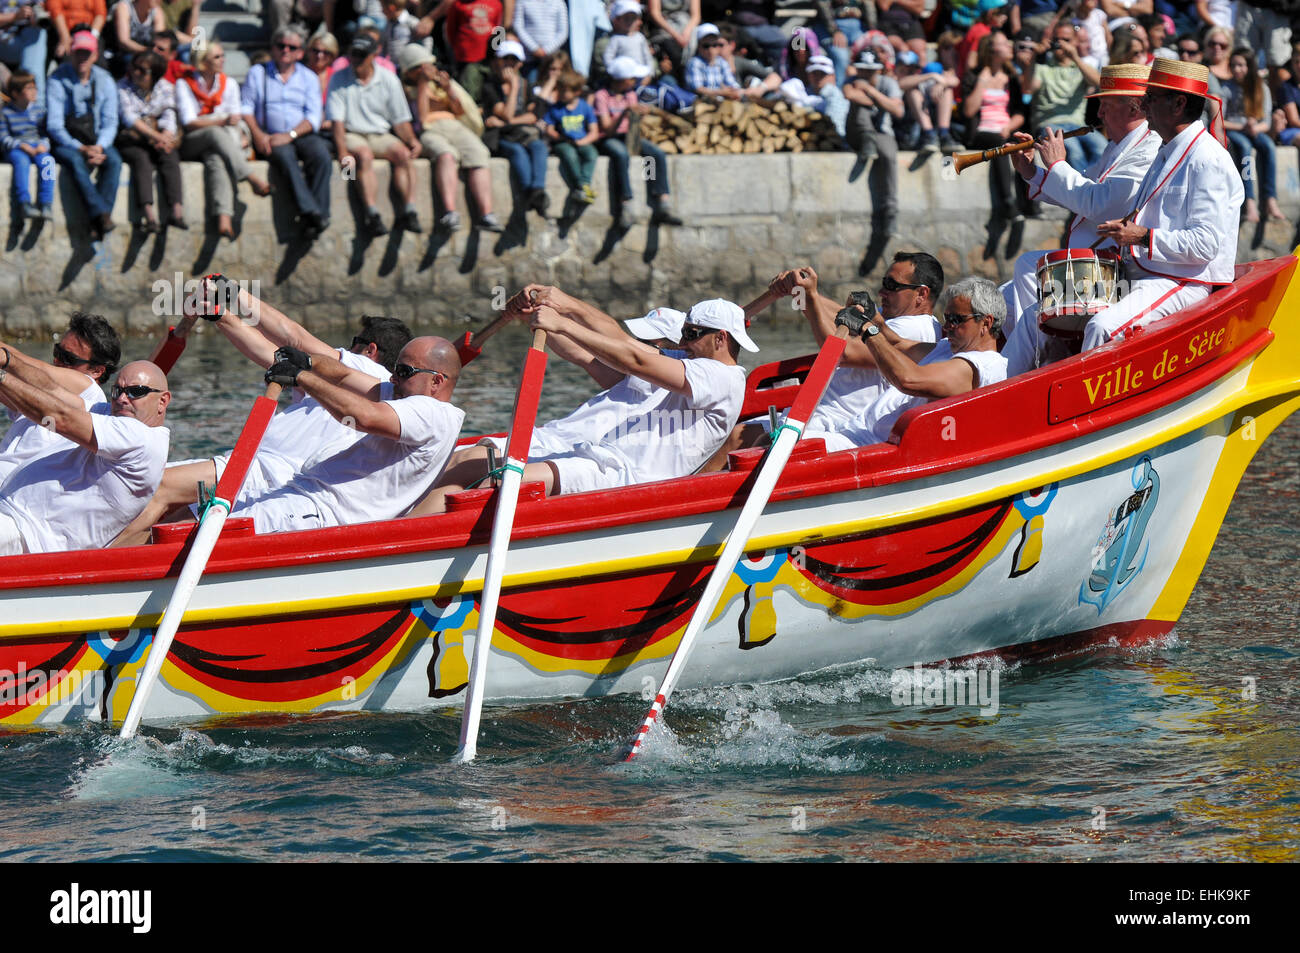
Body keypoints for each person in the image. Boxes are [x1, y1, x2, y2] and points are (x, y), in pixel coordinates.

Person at [111, 283, 416, 546]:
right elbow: (276, 352)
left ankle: (95, 565)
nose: (343, 349)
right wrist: (223, 314)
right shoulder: (381, 397)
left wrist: (223, 306)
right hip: (269, 473)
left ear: (370, 349)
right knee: (172, 524)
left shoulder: (363, 369)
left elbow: (291, 338)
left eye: (354, 343)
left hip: (261, 469)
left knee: (157, 487)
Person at [413, 289, 751, 510]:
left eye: (691, 335)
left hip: (623, 479)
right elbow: (620, 341)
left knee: (484, 475)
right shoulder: (691, 364)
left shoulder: (721, 377)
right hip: (598, 459)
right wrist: (561, 302)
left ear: (720, 339)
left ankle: (405, 548)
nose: (683, 341)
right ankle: (401, 523)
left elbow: (634, 358)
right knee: (468, 462)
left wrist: (564, 323)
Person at [707, 252, 944, 468]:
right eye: (884, 283)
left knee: (738, 437)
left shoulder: (914, 329)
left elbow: (841, 351)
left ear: (921, 294)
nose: (882, 292)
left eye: (892, 286)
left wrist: (808, 296)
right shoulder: (900, 324)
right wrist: (800, 292)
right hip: (817, 415)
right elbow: (840, 314)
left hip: (836, 424)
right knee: (734, 436)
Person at [1002, 63, 1160, 375]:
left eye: (1105, 105)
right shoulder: (1118, 148)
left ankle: (1037, 361)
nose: (1098, 114)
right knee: (1007, 287)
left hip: (1117, 269)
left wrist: (1058, 163)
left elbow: (1096, 204)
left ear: (1134, 108)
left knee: (1026, 269)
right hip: (1097, 263)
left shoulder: (1148, 149)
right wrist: (1031, 171)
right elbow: (1078, 191)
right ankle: (1027, 356)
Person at [224, 335, 464, 535]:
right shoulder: (408, 399)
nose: (393, 377)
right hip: (302, 497)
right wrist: (308, 362)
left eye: (403, 371)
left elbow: (362, 416)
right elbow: (345, 376)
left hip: (316, 512)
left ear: (437, 381)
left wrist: (300, 377)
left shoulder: (434, 414)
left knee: (201, 537)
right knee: (193, 519)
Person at [1089, 57, 1243, 349]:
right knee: (1050, 308)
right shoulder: (1168, 147)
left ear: (1178, 104)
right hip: (1148, 273)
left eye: (1151, 97)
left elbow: (1205, 244)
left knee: (1102, 328)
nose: (1143, 105)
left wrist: (1142, 236)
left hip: (1183, 280)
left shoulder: (1206, 159)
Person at [816, 276, 1009, 452]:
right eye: (946, 318)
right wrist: (874, 318)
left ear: (986, 323)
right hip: (852, 432)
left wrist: (867, 330)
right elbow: (899, 344)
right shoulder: (949, 347)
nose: (946, 326)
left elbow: (908, 380)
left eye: (955, 320)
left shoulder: (982, 365)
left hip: (872, 449)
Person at [0, 356, 170, 555]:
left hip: (26, 534)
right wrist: (8, 360)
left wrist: (3, 376)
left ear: (163, 401)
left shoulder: (142, 438)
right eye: (117, 391)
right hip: (11, 516)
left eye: (136, 392)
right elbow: (52, 390)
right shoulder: (112, 416)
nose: (123, 399)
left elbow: (60, 419)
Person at [0, 311, 120, 485]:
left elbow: (34, 367)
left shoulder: (91, 393)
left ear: (97, 371)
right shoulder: (36, 391)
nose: (57, 360)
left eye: (67, 358)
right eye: (58, 351)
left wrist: (5, 358)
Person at [327, 30, 422, 236]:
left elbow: (400, 119)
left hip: (379, 134)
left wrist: (411, 140)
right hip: (353, 133)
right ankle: (372, 213)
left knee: (404, 155)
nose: (356, 59)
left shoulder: (389, 79)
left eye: (362, 55)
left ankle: (409, 211)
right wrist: (342, 151)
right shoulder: (338, 79)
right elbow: (337, 122)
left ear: (374, 55)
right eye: (354, 54)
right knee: (363, 155)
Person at [243, 25, 333, 241]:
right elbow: (245, 108)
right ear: (273, 48)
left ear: (300, 52)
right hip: (270, 135)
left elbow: (313, 117)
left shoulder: (308, 77)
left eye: (292, 47)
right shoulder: (258, 73)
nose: (285, 50)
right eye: (281, 46)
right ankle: (313, 212)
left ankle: (316, 213)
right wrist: (258, 134)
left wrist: (291, 134)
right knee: (285, 158)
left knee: (322, 156)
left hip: (300, 134)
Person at [178, 40, 274, 240]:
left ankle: (224, 217)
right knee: (215, 133)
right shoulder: (184, 83)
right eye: (217, 57)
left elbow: (236, 116)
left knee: (216, 158)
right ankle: (250, 177)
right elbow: (188, 122)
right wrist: (220, 121)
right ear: (203, 62)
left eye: (223, 55)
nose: (223, 60)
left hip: (219, 143)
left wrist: (222, 122)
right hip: (192, 140)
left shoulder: (228, 83)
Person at [400, 43, 502, 232]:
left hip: (454, 125)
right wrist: (423, 85)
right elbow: (422, 120)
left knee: (479, 154)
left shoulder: (440, 83)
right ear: (411, 71)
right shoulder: (405, 89)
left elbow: (460, 111)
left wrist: (449, 90)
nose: (429, 70)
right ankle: (450, 213)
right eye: (422, 67)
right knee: (447, 155)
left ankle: (487, 214)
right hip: (430, 131)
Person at [47, 30, 122, 242]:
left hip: (97, 139)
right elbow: (54, 125)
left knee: (114, 161)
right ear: (71, 53)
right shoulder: (57, 79)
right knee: (75, 162)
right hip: (67, 142)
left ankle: (97, 220)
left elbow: (110, 121)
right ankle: (101, 215)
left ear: (95, 55)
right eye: (78, 52)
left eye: (86, 53)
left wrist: (99, 146)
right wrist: (81, 148)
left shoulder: (105, 80)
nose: (82, 58)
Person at [595, 56, 684, 228]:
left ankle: (660, 198)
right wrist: (623, 114)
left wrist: (640, 114)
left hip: (630, 136)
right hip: (610, 138)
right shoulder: (602, 96)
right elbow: (607, 129)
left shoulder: (630, 95)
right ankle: (625, 203)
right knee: (621, 156)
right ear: (623, 80)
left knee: (654, 154)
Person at [963, 30, 1029, 223]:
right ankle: (1007, 203)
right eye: (1004, 43)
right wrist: (982, 81)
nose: (1010, 46)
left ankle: (1028, 203)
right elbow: (968, 111)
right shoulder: (975, 76)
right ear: (991, 50)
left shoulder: (1011, 78)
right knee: (1000, 144)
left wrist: (1009, 126)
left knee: (1023, 146)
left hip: (1004, 130)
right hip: (981, 132)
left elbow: (1019, 113)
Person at [1023, 19, 1106, 172]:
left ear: (1075, 42)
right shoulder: (1042, 68)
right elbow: (1027, 88)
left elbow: (1099, 83)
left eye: (1066, 40)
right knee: (1075, 152)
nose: (1060, 44)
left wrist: (1075, 57)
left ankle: (1096, 186)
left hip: (1077, 125)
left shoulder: (1081, 68)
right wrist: (1034, 57)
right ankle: (1082, 191)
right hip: (1049, 124)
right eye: (1057, 40)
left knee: (1102, 147)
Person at [479, 39, 551, 218]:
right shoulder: (490, 86)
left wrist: (505, 122)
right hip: (503, 138)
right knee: (517, 151)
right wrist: (513, 89)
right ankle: (530, 193)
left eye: (514, 60)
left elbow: (533, 116)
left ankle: (537, 190)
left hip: (522, 133)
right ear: (498, 61)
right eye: (506, 59)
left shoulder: (527, 85)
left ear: (520, 63)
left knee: (539, 146)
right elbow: (508, 114)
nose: (509, 64)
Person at [116, 49, 184, 233]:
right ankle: (149, 215)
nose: (136, 72)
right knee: (141, 160)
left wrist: (166, 137)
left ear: (153, 75)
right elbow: (129, 118)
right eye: (135, 67)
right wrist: (156, 136)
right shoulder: (122, 87)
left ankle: (176, 211)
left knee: (170, 156)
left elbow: (169, 113)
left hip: (158, 137)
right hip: (131, 139)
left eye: (142, 70)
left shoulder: (165, 87)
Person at [1222, 44, 1283, 222]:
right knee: (1245, 147)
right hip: (1236, 130)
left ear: (1249, 66)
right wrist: (1243, 127)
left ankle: (1270, 198)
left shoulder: (1260, 88)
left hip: (1254, 130)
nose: (1236, 69)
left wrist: (1255, 128)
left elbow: (1267, 121)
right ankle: (1249, 200)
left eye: (1240, 65)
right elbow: (1220, 119)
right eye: (1233, 65)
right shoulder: (1227, 87)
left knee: (1269, 146)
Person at [1, 71, 55, 222]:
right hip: (17, 149)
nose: (34, 92)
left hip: (37, 147)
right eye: (29, 88)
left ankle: (46, 203)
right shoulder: (5, 113)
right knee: (21, 163)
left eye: (34, 88)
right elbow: (3, 138)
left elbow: (45, 134)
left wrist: (44, 145)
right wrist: (21, 145)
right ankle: (24, 202)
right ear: (16, 93)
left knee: (48, 162)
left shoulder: (39, 111)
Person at [543, 69, 599, 206]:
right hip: (563, 143)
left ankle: (583, 184)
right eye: (559, 90)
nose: (561, 94)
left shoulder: (585, 107)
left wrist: (583, 141)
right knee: (569, 154)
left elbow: (594, 132)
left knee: (592, 153)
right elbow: (548, 129)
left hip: (581, 141)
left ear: (577, 92)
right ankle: (581, 187)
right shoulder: (555, 108)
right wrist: (560, 137)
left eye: (565, 91)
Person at [445, 0, 502, 105]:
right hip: (466, 58)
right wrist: (459, 49)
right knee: (469, 94)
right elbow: (451, 30)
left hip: (489, 58)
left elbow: (499, 29)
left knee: (488, 91)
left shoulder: (496, 3)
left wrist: (496, 53)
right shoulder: (458, 4)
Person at [0, 0, 47, 99]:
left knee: (37, 33)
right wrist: (15, 16)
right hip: (3, 39)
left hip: (26, 40)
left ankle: (34, 105)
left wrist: (37, 15)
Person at [108, 0, 166, 78]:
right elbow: (123, 41)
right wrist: (146, 50)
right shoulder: (124, 7)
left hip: (146, 54)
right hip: (121, 54)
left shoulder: (157, 12)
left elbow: (160, 39)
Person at [512, 0, 568, 79]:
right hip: (529, 57)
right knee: (532, 87)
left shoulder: (559, 3)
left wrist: (546, 50)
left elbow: (563, 32)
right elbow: (518, 27)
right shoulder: (522, 2)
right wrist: (534, 48)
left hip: (551, 58)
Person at [685, 23, 741, 97]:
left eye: (714, 45)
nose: (710, 49)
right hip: (701, 103)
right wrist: (721, 92)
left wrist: (734, 91)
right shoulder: (695, 63)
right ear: (698, 46)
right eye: (706, 46)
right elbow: (698, 89)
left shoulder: (722, 62)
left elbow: (732, 83)